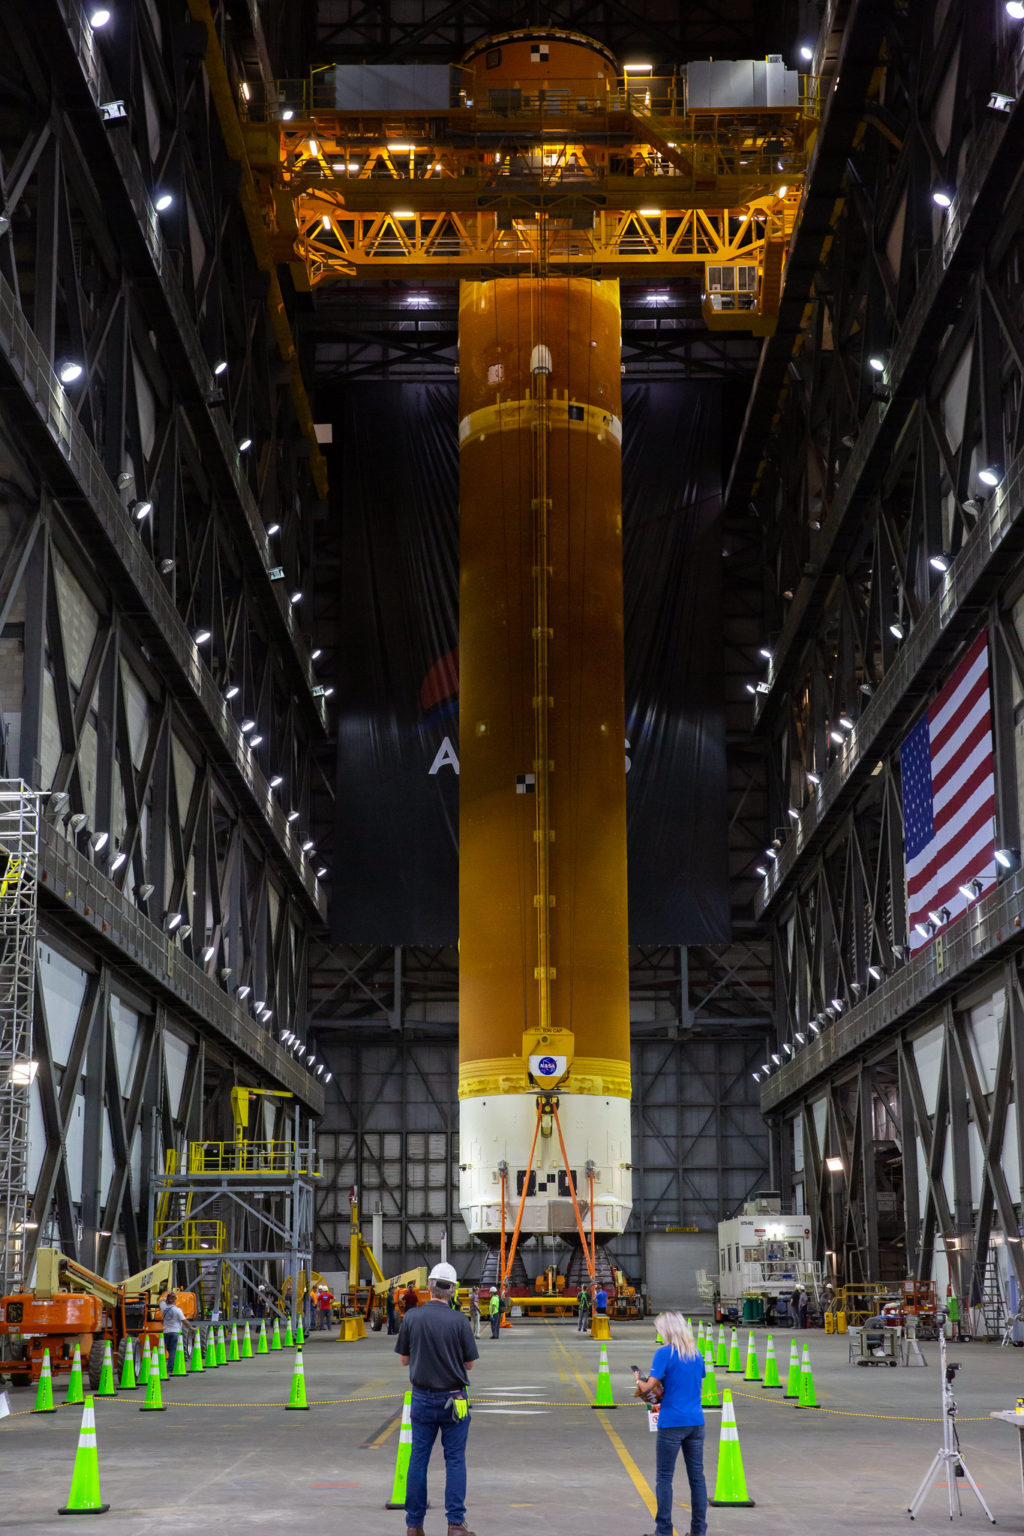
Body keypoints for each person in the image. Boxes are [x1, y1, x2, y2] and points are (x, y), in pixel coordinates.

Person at [396, 1260, 479, 1536]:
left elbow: (404, 1360)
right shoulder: (459, 1320)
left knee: (418, 1459)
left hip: (422, 1398)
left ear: (429, 1287)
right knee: (455, 1459)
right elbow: (469, 1365)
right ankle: (455, 1524)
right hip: (455, 1398)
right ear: (453, 1291)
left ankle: (414, 1525)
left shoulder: (412, 1318)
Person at [633, 1312, 707, 1536]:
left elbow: (648, 1388)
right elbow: (693, 1384)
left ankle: (663, 1530)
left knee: (664, 1477)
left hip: (672, 1421)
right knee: (697, 1477)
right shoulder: (696, 1354)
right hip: (696, 1421)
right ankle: (698, 1531)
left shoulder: (664, 1353)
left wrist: (638, 1379)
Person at [159, 1290, 187, 1367]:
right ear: (174, 1301)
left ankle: (171, 1365)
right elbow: (184, 1321)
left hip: (166, 1332)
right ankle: (170, 1368)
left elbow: (160, 1300)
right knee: (172, 1351)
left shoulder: (163, 1307)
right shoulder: (177, 1310)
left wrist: (165, 1299)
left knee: (170, 1349)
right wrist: (191, 1328)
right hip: (175, 1332)